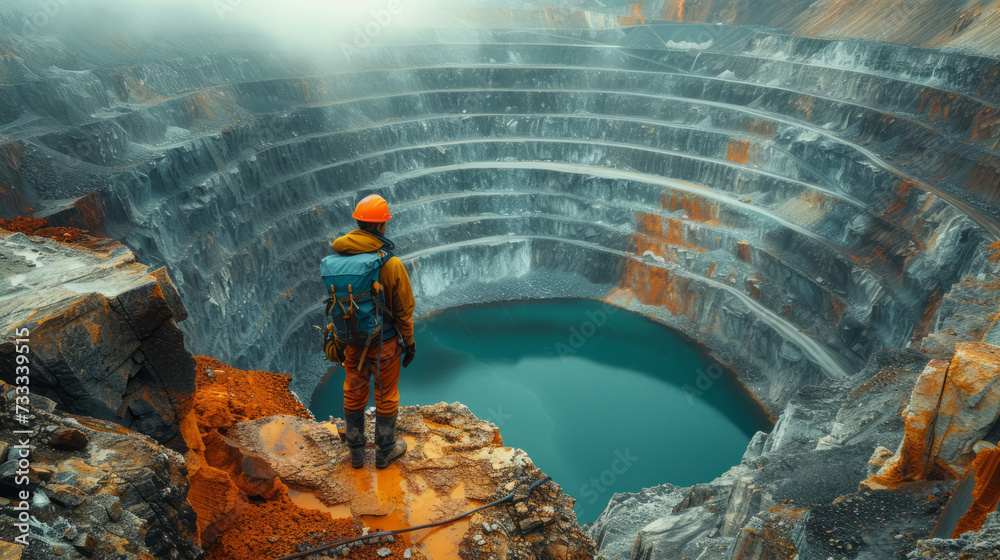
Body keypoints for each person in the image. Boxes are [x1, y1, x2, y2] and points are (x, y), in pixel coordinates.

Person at [331, 194, 416, 469]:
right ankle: (384, 452)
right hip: (384, 344)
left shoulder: (337, 261)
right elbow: (403, 310)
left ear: (357, 221)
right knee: (386, 395)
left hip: (351, 342)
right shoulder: (389, 264)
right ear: (382, 226)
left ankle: (356, 454)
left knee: (353, 392)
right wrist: (410, 343)